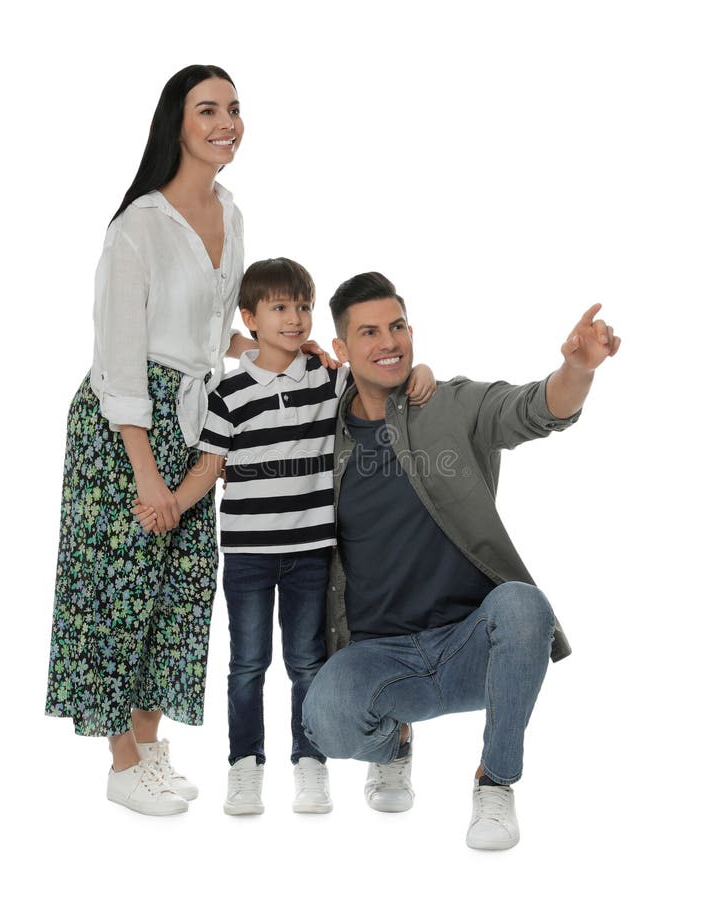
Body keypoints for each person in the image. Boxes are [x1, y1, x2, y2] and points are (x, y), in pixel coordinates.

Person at [302, 272, 620, 849]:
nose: (388, 342)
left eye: (397, 326)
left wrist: (578, 370)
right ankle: (393, 743)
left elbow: (534, 408)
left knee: (525, 605)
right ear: (342, 351)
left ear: (412, 331)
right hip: (380, 657)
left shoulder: (451, 403)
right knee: (324, 719)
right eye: (369, 332)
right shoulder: (319, 432)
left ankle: (494, 784)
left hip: (472, 646)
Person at [133, 258, 436, 815]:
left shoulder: (326, 378)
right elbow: (208, 466)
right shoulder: (228, 392)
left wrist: (423, 373)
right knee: (248, 664)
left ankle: (310, 763)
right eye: (279, 308)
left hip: (310, 553)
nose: (294, 319)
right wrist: (172, 502)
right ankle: (244, 767)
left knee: (306, 662)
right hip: (248, 554)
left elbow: (379, 379)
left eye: (302, 307)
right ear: (249, 318)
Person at [44, 64, 260, 816]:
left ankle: (150, 748)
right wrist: (144, 470)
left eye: (234, 109)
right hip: (122, 426)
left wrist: (270, 351)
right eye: (208, 110)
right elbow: (123, 354)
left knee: (182, 589)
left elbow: (207, 328)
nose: (226, 122)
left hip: (196, 416)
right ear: (177, 123)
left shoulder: (231, 214)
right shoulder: (138, 225)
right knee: (120, 590)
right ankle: (120, 762)